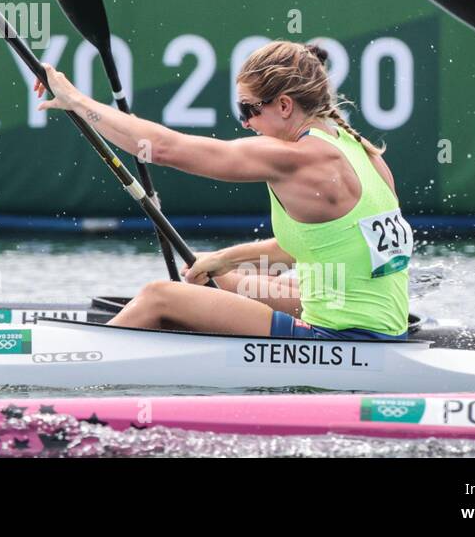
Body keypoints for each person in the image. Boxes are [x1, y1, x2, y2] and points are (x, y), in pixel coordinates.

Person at [34, 40, 411, 340]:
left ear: (283, 105)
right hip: (379, 325)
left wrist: (77, 101)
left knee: (159, 296)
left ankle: (79, 367)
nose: (245, 123)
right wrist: (225, 260)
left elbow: (164, 149)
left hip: (340, 340)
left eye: (248, 109)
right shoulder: (360, 150)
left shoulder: (298, 157)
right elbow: (321, 245)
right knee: (221, 279)